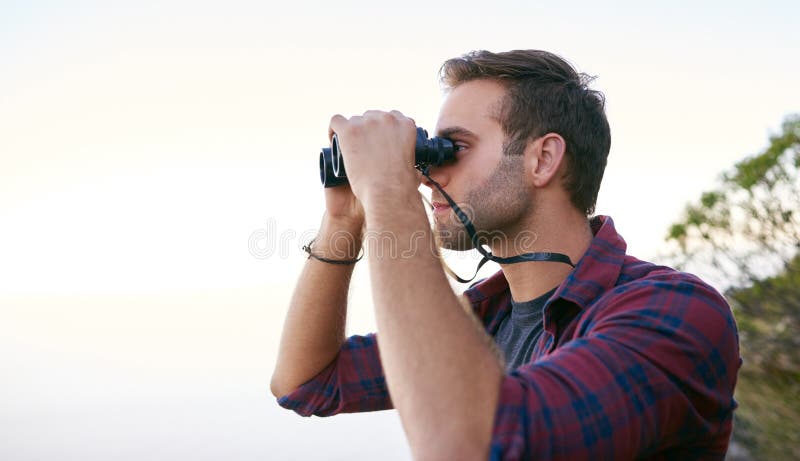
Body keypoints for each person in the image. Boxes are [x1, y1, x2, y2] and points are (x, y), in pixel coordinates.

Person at [270, 49, 740, 460]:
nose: (429, 174)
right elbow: (305, 383)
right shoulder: (485, 318)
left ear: (543, 159)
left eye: (452, 148)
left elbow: (469, 446)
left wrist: (390, 191)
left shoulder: (676, 313)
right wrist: (344, 218)